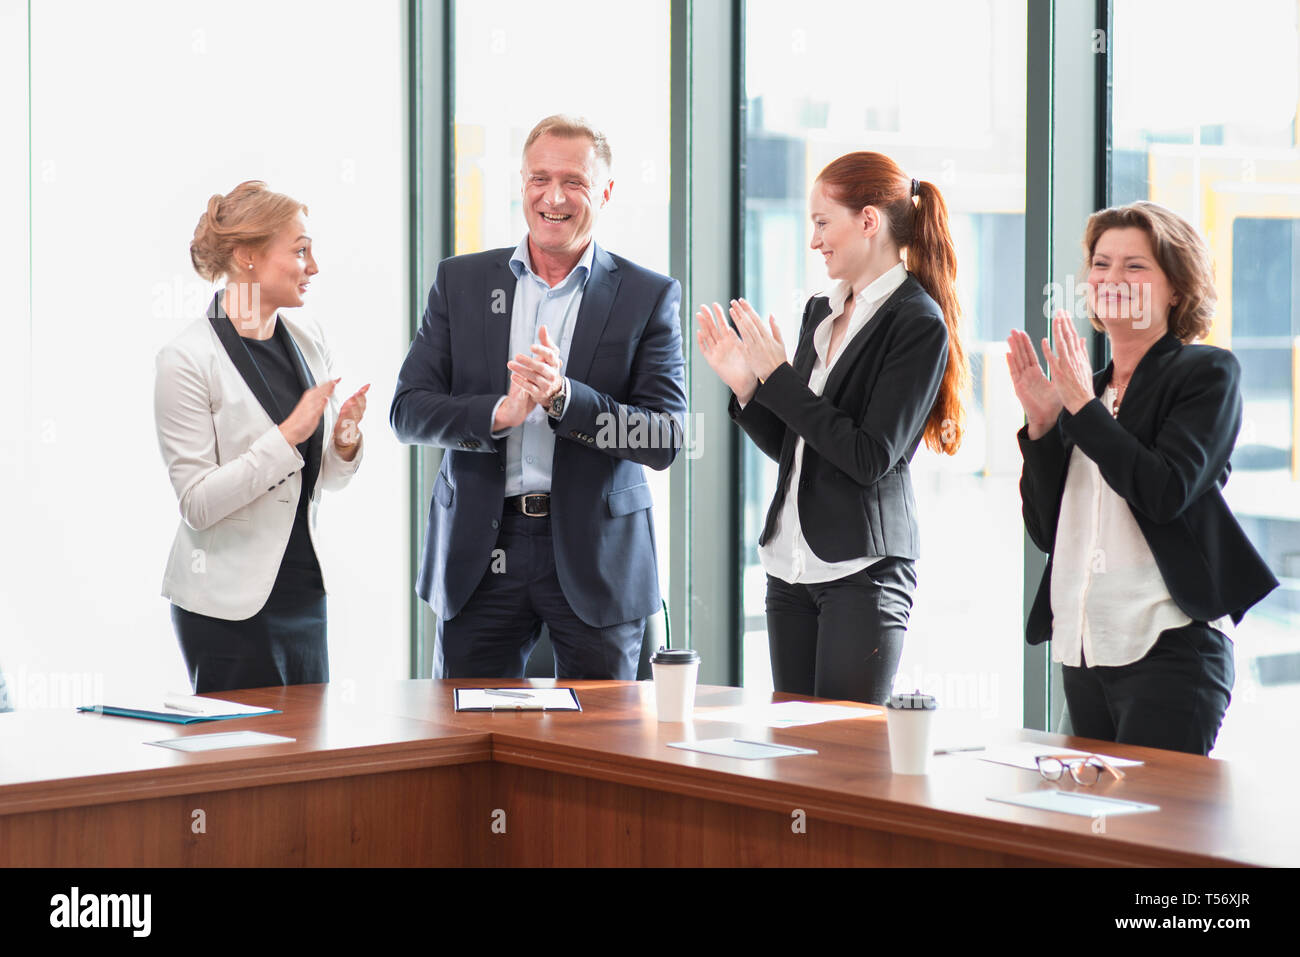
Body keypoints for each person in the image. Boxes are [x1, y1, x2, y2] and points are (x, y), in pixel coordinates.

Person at [391, 115, 686, 679]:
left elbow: (664, 438)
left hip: (597, 557)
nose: (554, 197)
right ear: (521, 184)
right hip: (479, 554)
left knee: (604, 748)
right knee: (467, 741)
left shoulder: (647, 296)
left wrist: (564, 398)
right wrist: (495, 414)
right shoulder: (462, 282)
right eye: (539, 179)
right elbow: (408, 411)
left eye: (574, 181)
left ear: (605, 191)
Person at [1008, 200, 1278, 755]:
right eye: (1101, 264)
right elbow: (1047, 531)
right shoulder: (1088, 388)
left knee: (1150, 832)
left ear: (1176, 289)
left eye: (1135, 266)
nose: (1112, 278)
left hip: (1170, 646)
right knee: (1091, 835)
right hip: (1084, 647)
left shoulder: (1205, 373)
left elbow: (1163, 491)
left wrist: (1083, 412)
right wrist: (1042, 425)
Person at [697, 151, 968, 704]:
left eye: (823, 222)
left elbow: (868, 456)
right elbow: (800, 447)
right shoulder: (821, 311)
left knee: (845, 759)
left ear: (868, 221)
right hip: (789, 567)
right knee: (795, 752)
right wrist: (750, 388)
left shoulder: (916, 322)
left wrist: (777, 378)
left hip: (863, 574)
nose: (814, 240)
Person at [155, 181, 369, 693]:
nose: (313, 266)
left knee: (307, 766)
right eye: (299, 251)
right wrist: (289, 433)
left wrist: (343, 441)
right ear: (247, 256)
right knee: (243, 765)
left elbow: (325, 483)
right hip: (227, 609)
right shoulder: (185, 360)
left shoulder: (308, 338)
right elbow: (198, 504)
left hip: (303, 597)